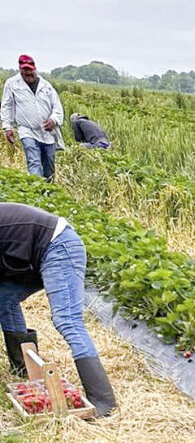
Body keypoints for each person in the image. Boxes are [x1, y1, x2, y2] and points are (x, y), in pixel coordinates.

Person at [0, 202, 117, 415]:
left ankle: (103, 400)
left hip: (58, 246)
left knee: (67, 319)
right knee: (4, 299)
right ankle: (23, 368)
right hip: (29, 256)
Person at [2, 56, 64, 180]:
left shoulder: (46, 86)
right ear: (20, 70)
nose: (28, 73)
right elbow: (6, 106)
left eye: (30, 69)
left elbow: (57, 108)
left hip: (47, 133)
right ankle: (36, 191)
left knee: (49, 169)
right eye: (25, 70)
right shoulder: (12, 84)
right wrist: (7, 127)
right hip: (27, 130)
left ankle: (49, 194)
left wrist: (53, 120)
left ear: (34, 68)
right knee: (34, 162)